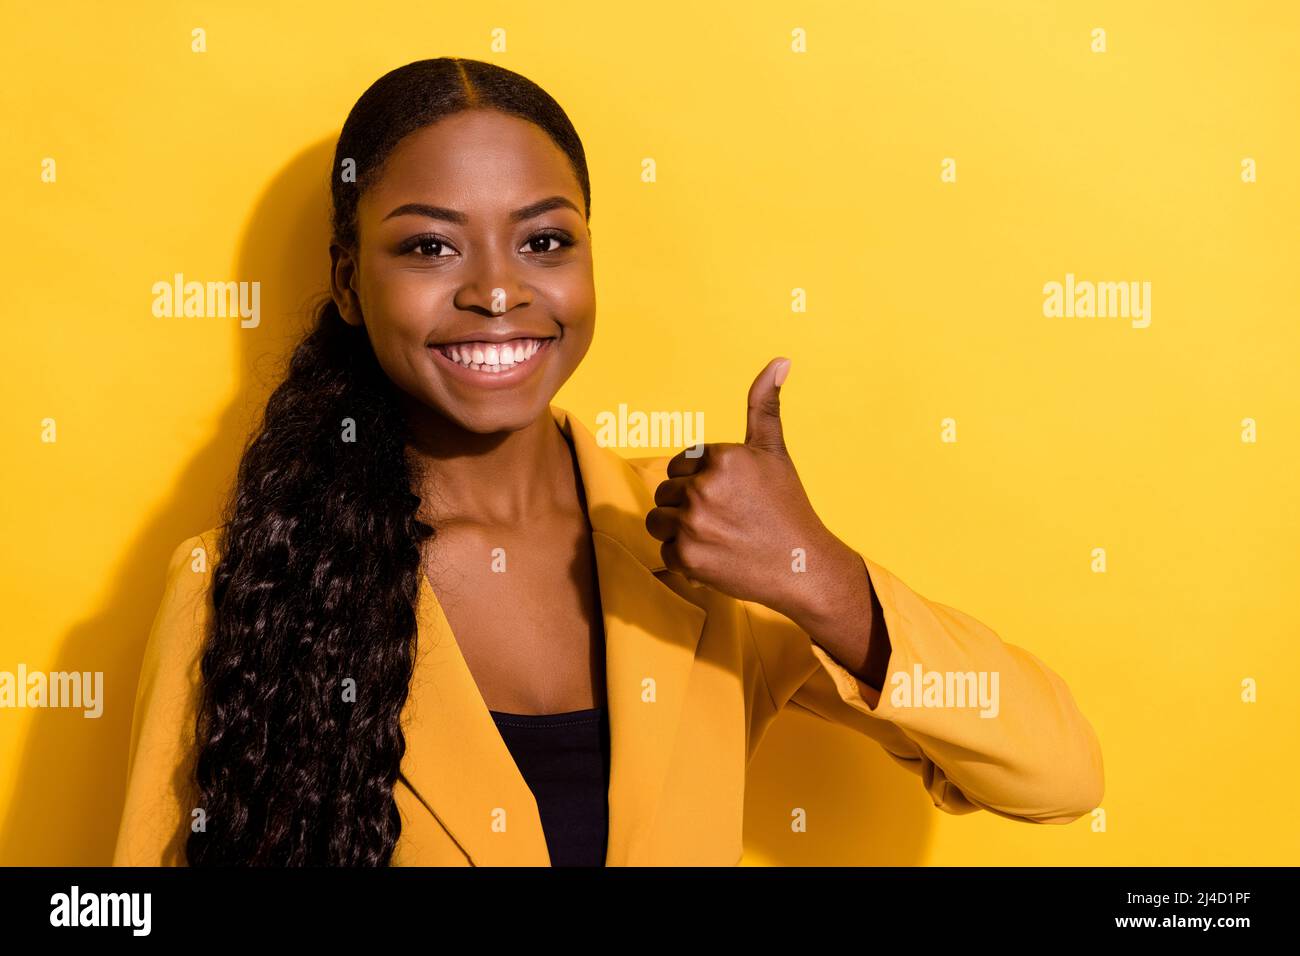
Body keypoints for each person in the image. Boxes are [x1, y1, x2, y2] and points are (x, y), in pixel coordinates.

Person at [112, 57, 1104, 867]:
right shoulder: (242, 585)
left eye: (544, 239)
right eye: (428, 249)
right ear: (346, 279)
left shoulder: (711, 547)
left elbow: (1056, 774)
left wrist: (815, 571)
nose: (498, 291)